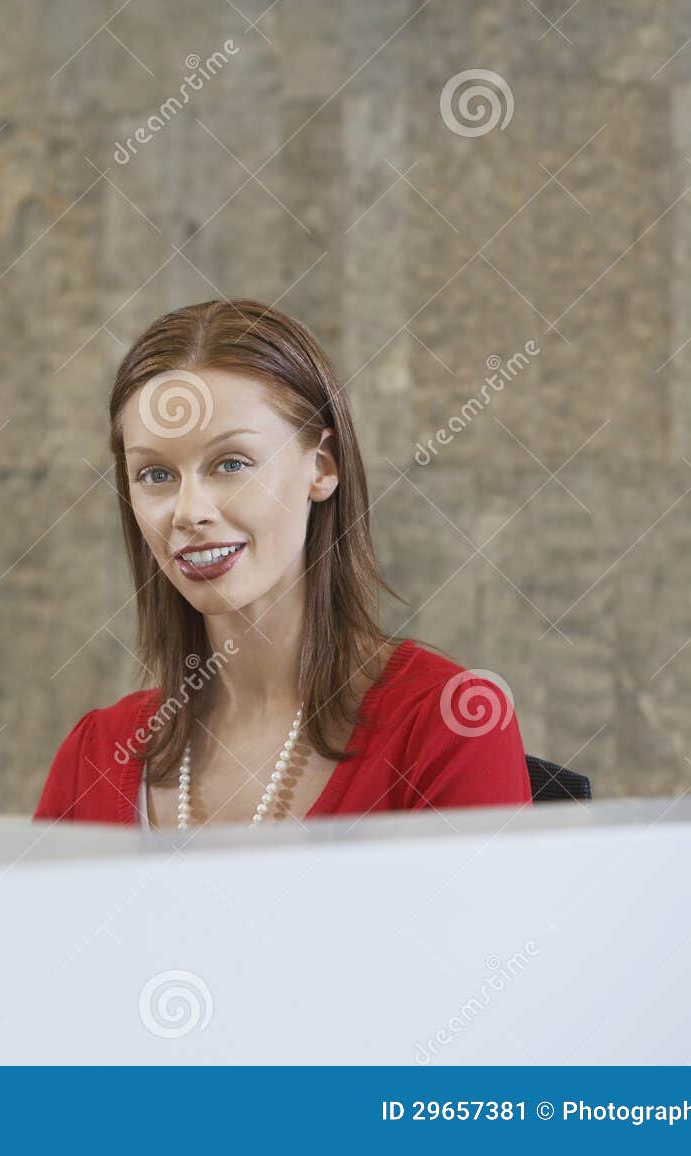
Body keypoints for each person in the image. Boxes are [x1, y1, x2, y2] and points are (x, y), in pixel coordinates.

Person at [34, 299, 531, 829]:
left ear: (322, 466)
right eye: (155, 475)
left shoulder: (450, 725)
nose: (188, 512)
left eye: (231, 463)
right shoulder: (93, 758)